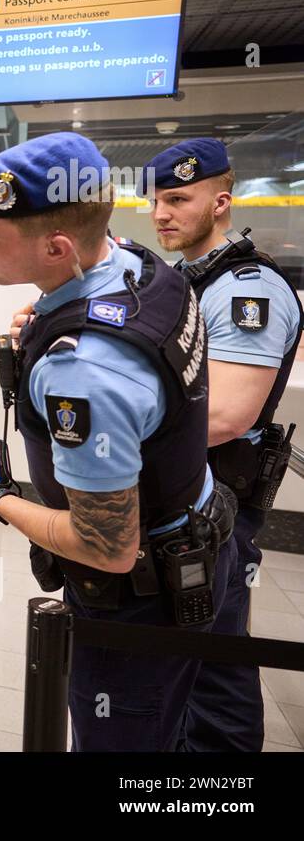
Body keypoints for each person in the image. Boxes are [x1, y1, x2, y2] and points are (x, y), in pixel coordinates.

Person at [0, 132, 235, 751]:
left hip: (140, 597)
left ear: (58, 246)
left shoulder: (82, 372)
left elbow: (106, 546)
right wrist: (47, 313)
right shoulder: (142, 267)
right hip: (198, 535)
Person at [143, 137, 302, 751]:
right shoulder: (182, 280)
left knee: (213, 666)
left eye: (178, 198)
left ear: (221, 203)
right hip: (181, 495)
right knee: (183, 652)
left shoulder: (245, 290)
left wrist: (114, 430)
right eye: (156, 200)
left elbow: (230, 416)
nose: (161, 213)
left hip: (219, 506)